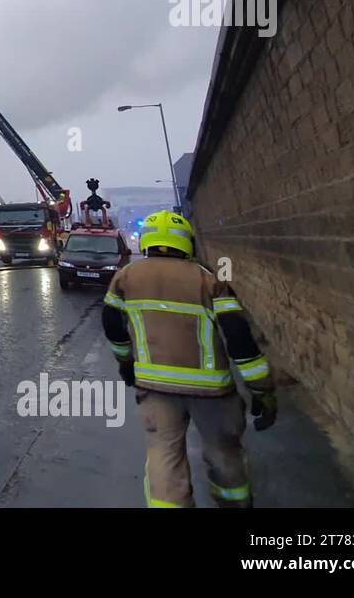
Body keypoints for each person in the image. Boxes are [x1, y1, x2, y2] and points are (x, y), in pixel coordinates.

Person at [102, 210, 277, 508]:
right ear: (188, 243)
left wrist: (126, 364)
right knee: (225, 456)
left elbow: (111, 324)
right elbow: (239, 338)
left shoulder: (126, 277)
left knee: (163, 458)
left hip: (156, 388)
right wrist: (261, 389)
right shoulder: (208, 281)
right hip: (213, 393)